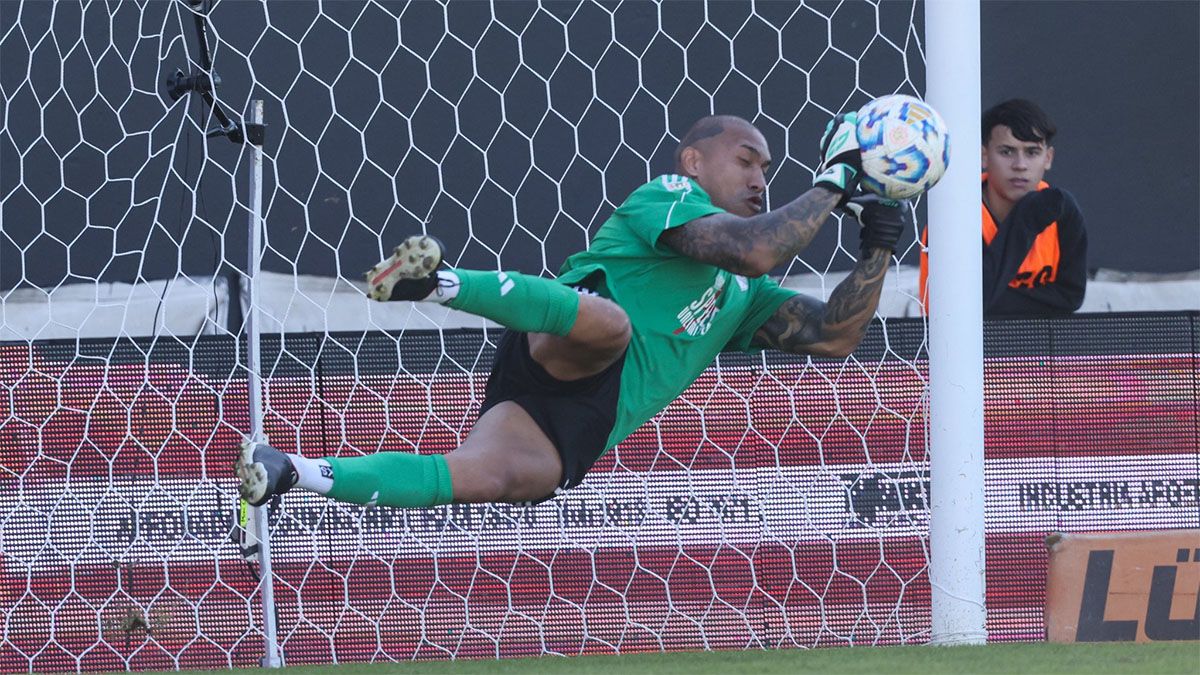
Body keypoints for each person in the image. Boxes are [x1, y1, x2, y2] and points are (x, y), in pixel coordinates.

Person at [235, 113, 913, 509]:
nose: (761, 180)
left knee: (496, 476)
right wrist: (837, 179)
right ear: (693, 160)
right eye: (745, 162)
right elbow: (752, 251)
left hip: (581, 416)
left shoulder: (745, 301)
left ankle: (292, 470)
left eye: (768, 169)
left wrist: (877, 249)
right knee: (611, 326)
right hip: (562, 334)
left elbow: (834, 336)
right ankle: (438, 282)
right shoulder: (668, 196)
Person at [919, 98, 1087, 316]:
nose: (1020, 165)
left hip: (1041, 347)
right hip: (960, 348)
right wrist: (1026, 217)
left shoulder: (1061, 209)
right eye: (1007, 152)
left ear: (1048, 158)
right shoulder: (954, 218)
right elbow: (964, 308)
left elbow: (1071, 298)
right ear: (983, 156)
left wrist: (993, 301)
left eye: (1032, 152)